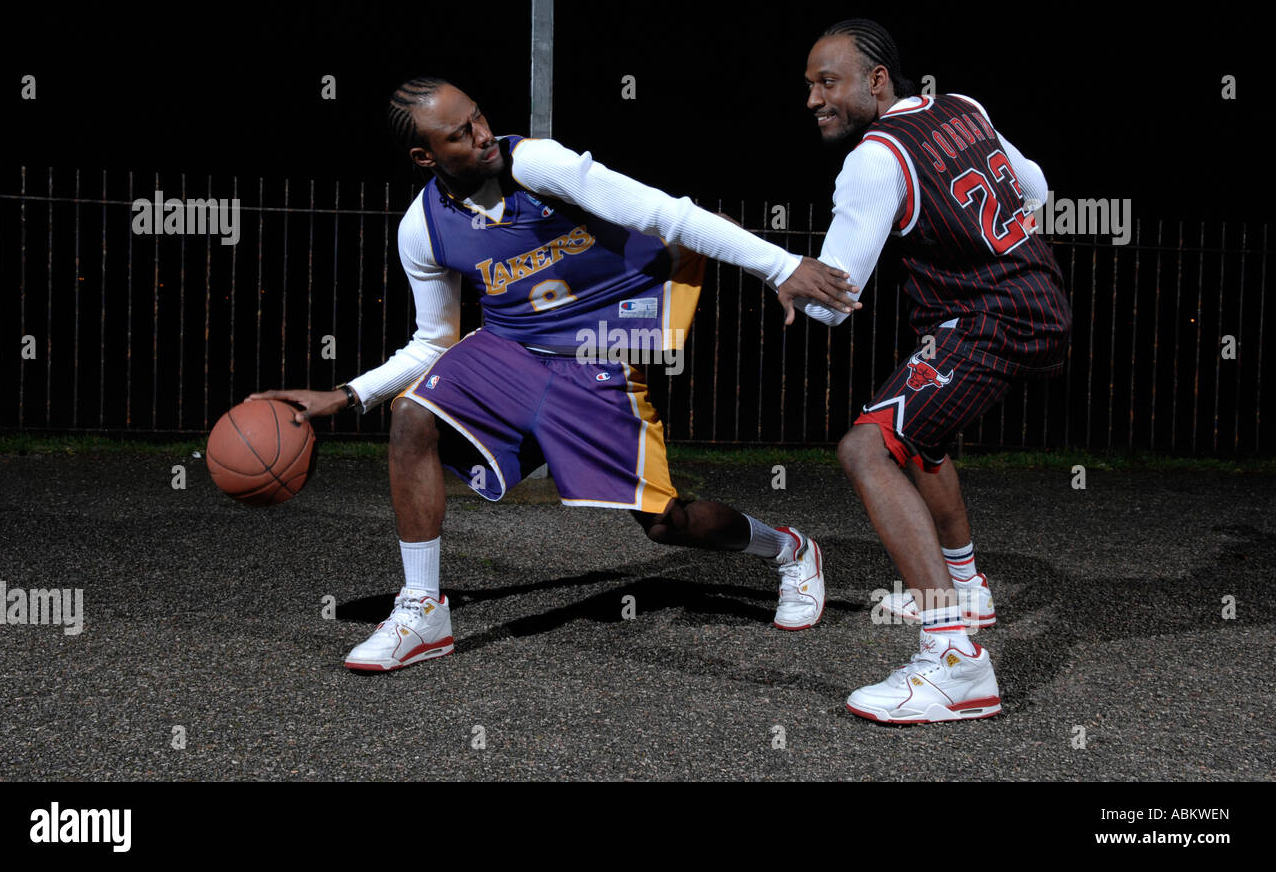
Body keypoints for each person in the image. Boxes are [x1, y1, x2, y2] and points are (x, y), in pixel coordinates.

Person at [249, 77, 861, 671]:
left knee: (665, 525)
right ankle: (422, 609)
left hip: (598, 352)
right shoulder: (424, 228)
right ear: (423, 156)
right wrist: (349, 394)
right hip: (509, 350)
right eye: (460, 135)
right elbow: (433, 341)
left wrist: (780, 267)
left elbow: (663, 213)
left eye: (479, 117)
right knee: (413, 414)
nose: (483, 135)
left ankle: (789, 548)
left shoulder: (537, 164)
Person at [798, 20, 1072, 722]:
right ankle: (967, 586)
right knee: (916, 434)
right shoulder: (962, 107)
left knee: (866, 447)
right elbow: (1035, 186)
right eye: (809, 86)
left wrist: (783, 276)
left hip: (992, 319)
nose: (814, 99)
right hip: (1036, 300)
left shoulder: (877, 155)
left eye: (828, 82)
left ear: (877, 80)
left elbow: (836, 298)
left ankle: (956, 662)